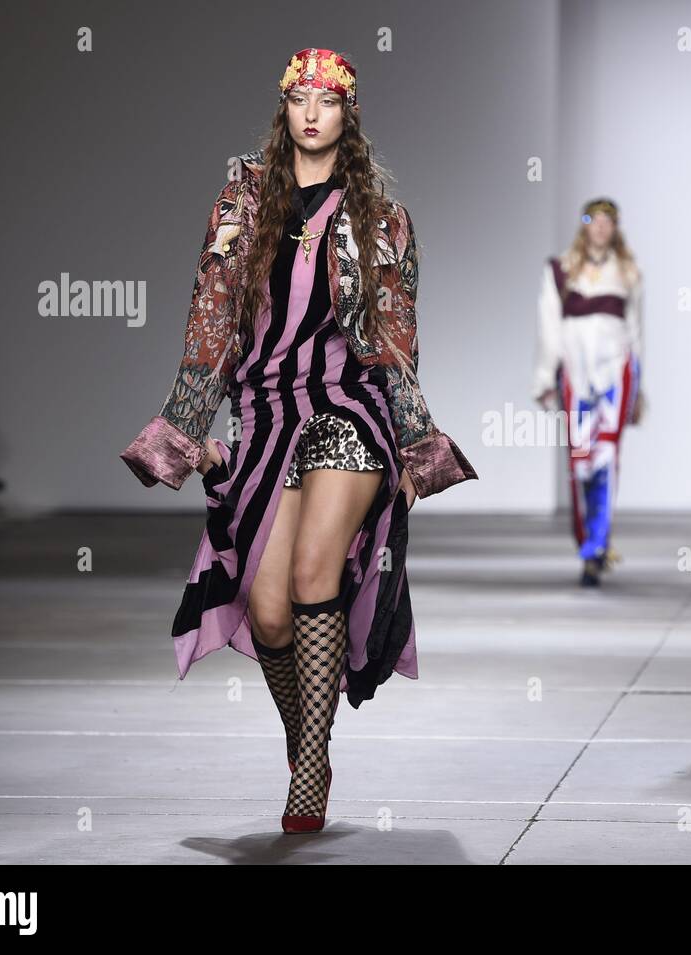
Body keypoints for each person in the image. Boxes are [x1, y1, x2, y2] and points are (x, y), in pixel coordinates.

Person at [120, 48, 478, 832]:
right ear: (283, 111)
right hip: (266, 411)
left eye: (328, 101)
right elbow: (210, 325)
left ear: (349, 117)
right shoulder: (242, 208)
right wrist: (186, 433)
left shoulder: (380, 218)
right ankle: (303, 734)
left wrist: (414, 443)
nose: (312, 112)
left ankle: (311, 766)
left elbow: (394, 335)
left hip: (347, 407)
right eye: (299, 99)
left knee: (319, 568)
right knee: (269, 608)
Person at [533, 198, 643, 586]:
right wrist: (545, 377)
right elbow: (549, 325)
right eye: (592, 219)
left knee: (608, 458)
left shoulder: (627, 272)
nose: (599, 226)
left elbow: (636, 330)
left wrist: (639, 389)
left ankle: (597, 546)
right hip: (575, 375)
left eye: (607, 220)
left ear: (615, 227)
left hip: (618, 371)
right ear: (583, 225)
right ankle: (586, 540)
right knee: (580, 462)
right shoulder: (560, 270)